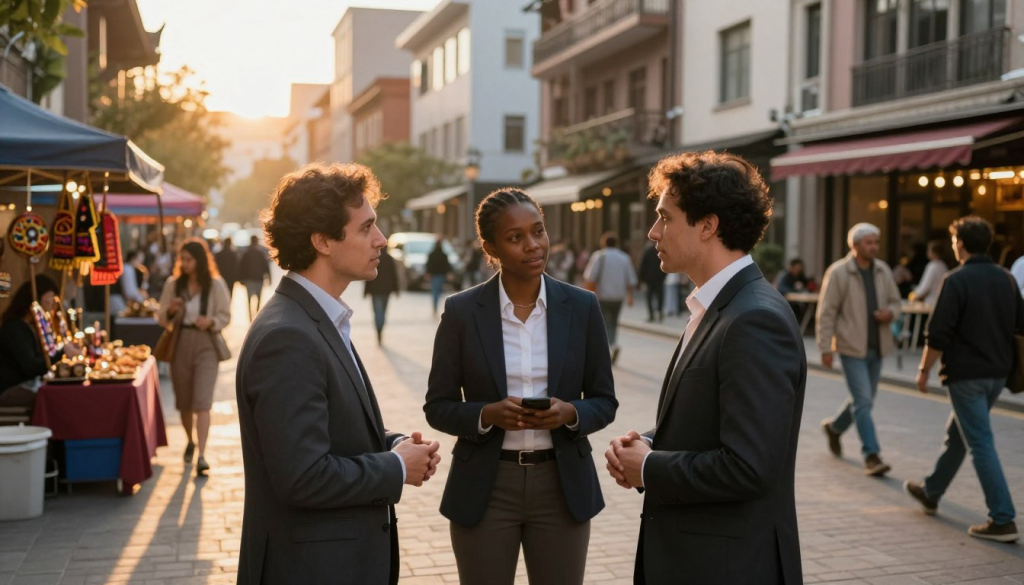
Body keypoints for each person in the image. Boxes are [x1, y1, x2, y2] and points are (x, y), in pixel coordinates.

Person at [604, 151, 806, 584]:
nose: (653, 232)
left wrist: (649, 467)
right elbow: (713, 421)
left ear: (708, 225)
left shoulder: (754, 319)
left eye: (665, 217)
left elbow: (749, 466)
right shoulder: (718, 305)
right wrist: (648, 442)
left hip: (727, 565)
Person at [235, 163, 441, 585]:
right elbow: (303, 476)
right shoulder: (288, 336)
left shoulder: (315, 318)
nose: (381, 240)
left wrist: (391, 444)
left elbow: (325, 435)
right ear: (323, 241)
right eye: (366, 228)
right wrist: (395, 468)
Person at [425, 188, 617, 585]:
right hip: (485, 486)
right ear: (490, 246)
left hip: (562, 487)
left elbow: (604, 400)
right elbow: (438, 405)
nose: (533, 246)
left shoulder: (581, 307)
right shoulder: (462, 311)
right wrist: (485, 414)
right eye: (515, 238)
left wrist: (570, 413)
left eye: (538, 231)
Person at [906, 216, 1020, 543]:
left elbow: (938, 333)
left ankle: (1003, 518)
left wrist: (924, 369)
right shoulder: (1007, 279)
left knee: (980, 441)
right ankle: (932, 490)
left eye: (955, 241)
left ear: (961, 245)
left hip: (966, 375)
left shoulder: (957, 280)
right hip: (998, 375)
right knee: (958, 434)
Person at [816, 223, 902, 477]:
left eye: (876, 241)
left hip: (878, 346)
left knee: (863, 401)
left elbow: (896, 302)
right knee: (863, 401)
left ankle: (834, 428)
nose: (874, 246)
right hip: (851, 347)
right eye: (869, 242)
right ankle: (872, 455)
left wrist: (891, 313)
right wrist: (825, 347)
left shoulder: (883, 270)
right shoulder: (840, 272)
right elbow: (827, 312)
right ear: (854, 245)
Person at [158, 238, 232, 477]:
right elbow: (160, 317)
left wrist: (211, 321)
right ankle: (190, 440)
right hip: (181, 342)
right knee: (184, 401)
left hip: (206, 344)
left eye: (189, 260)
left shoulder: (215, 284)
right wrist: (170, 311)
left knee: (202, 402)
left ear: (200, 261)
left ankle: (201, 455)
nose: (185, 264)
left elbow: (225, 315)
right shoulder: (173, 285)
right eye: (182, 259)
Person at [0, 275, 83, 411]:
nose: (53, 302)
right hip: (12, 388)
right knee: (60, 399)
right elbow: (31, 367)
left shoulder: (32, 326)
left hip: (29, 384)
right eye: (50, 296)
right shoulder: (15, 329)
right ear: (37, 298)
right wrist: (61, 353)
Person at [583, 232, 637, 364]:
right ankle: (613, 345)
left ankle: (608, 347)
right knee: (613, 322)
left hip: (602, 296)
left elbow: (589, 277)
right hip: (618, 297)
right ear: (617, 243)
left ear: (603, 243)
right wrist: (630, 297)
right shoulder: (624, 258)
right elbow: (631, 280)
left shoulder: (599, 256)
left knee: (603, 324)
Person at [363, 244, 400, 346]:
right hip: (386, 290)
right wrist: (396, 289)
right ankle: (380, 328)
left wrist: (366, 291)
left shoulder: (374, 259)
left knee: (377, 312)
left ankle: (378, 330)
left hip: (375, 290)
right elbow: (394, 275)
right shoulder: (389, 259)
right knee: (383, 311)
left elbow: (368, 276)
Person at [240, 234, 272, 321]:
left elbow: (242, 267)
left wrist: (241, 279)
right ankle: (257, 313)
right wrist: (269, 278)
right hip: (258, 279)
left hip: (249, 279)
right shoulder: (261, 253)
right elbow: (266, 266)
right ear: (257, 241)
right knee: (258, 297)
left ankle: (250, 316)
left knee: (249, 298)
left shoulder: (246, 253)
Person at [908, 240, 949, 306]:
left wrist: (914, 295)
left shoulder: (932, 266)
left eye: (929, 250)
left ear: (934, 252)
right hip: (941, 302)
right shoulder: (944, 266)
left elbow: (925, 287)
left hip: (930, 303)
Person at [639, 242, 666, 323]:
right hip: (659, 278)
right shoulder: (661, 251)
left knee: (649, 298)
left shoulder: (648, 250)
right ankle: (660, 312)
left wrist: (641, 279)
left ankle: (651, 315)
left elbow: (643, 265)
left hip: (649, 279)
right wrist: (664, 276)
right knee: (660, 297)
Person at [426, 238, 452, 316]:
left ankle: (435, 307)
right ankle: (435, 307)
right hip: (440, 275)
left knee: (435, 291)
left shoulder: (432, 254)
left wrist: (428, 273)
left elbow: (429, 265)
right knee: (438, 291)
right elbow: (446, 265)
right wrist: (448, 273)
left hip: (435, 275)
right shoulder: (443, 255)